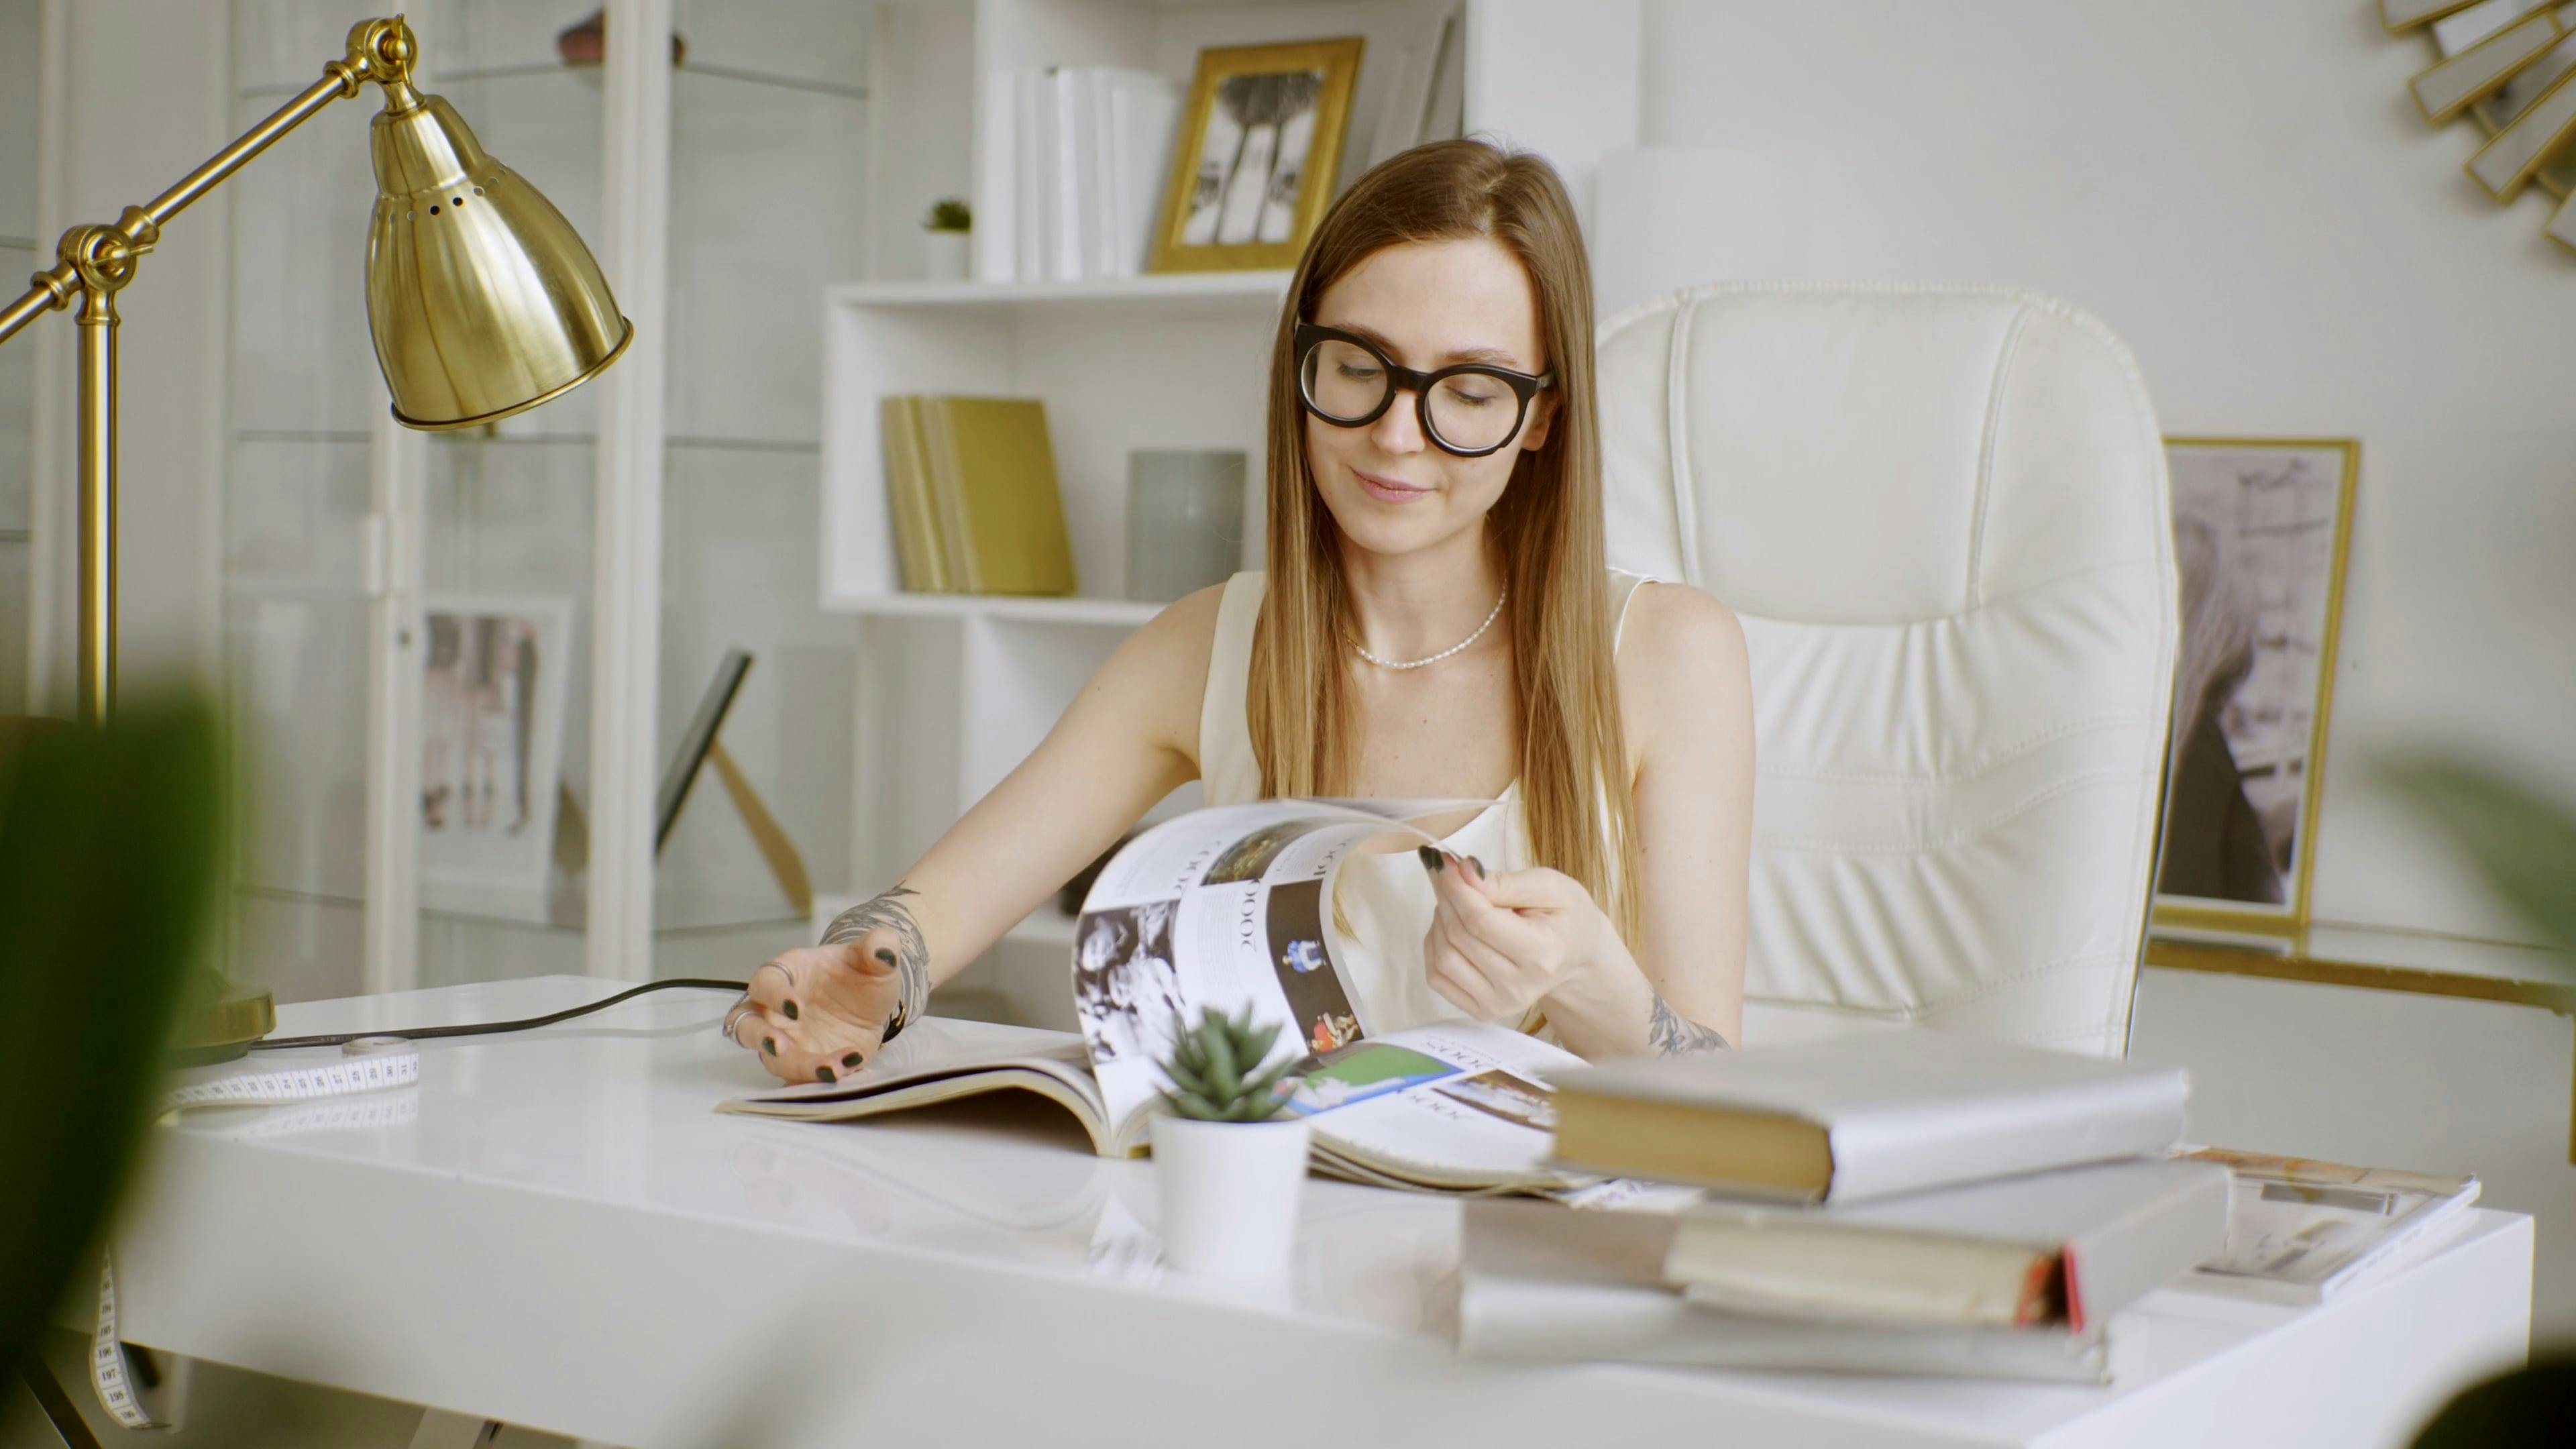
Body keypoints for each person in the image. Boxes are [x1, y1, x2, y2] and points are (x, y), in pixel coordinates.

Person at [727, 140, 1754, 1084]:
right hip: (1266, 1227)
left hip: (1531, 1246)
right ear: (1300, 368)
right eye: (1358, 369)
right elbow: (941, 904)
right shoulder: (1205, 646)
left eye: (1470, 393)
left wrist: (1590, 985)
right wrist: (874, 968)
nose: (1399, 435)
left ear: (1541, 419)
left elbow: (1722, 1091)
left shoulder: (1670, 654)